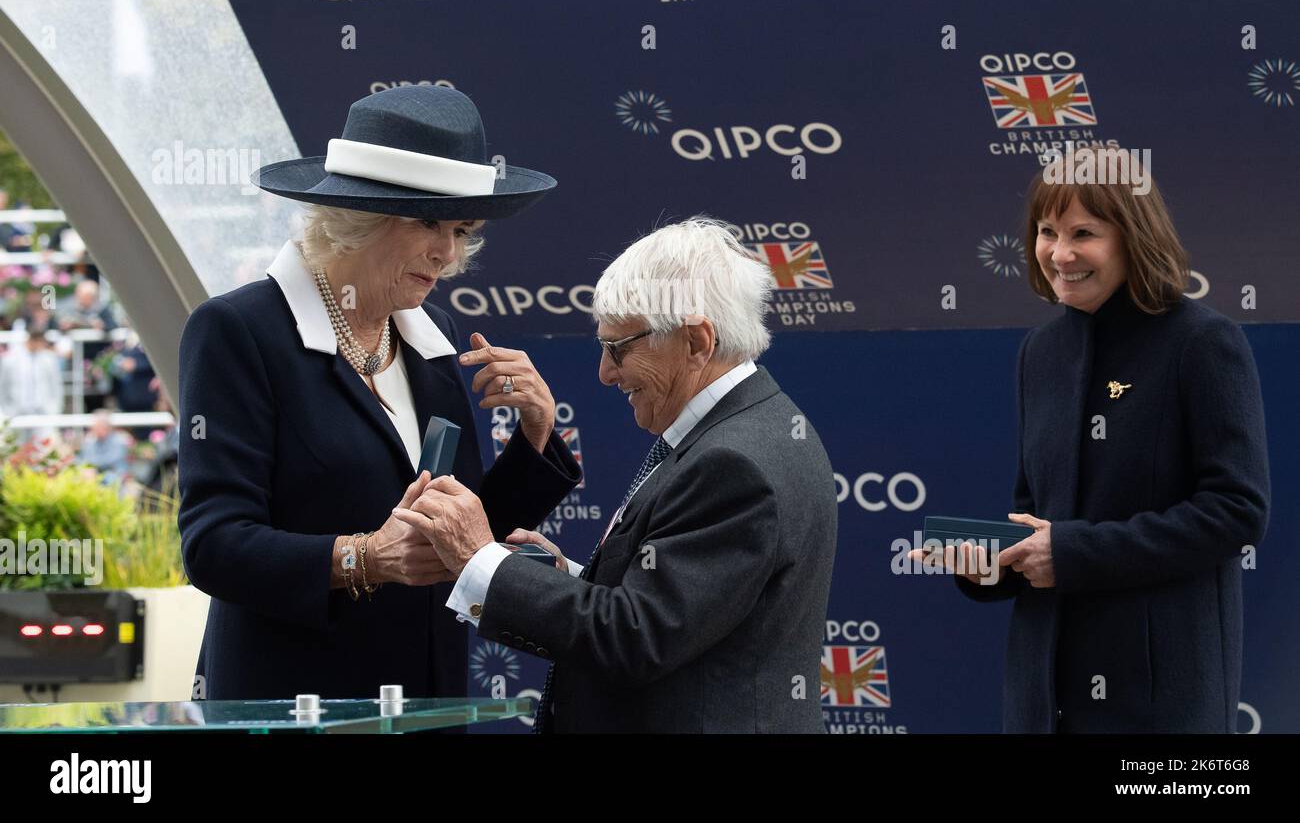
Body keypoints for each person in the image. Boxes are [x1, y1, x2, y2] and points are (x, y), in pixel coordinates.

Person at [177, 85, 581, 700]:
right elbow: (214, 546)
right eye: (427, 222)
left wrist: (535, 436)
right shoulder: (239, 330)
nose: (447, 253)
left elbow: (461, 534)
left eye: (461, 228)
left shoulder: (432, 335)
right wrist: (365, 558)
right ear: (356, 217)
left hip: (425, 700)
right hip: (294, 702)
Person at [395, 217, 838, 733]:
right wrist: (568, 579)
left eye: (618, 348)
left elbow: (637, 639)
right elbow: (674, 612)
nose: (606, 373)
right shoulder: (744, 429)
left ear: (696, 340)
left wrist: (481, 557)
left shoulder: (734, 461)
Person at [913, 145, 1269, 733]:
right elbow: (1037, 516)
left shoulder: (1203, 342)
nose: (1060, 253)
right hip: (1042, 700)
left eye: (1084, 233)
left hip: (1155, 706)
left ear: (1133, 236)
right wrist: (989, 560)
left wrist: (1072, 553)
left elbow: (1237, 511)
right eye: (1047, 231)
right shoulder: (1040, 352)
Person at [0, 310, 64, 445]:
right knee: (17, 449)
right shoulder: (10, 359)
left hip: (43, 411)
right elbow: (3, 385)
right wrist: (6, 409)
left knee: (42, 449)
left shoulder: (49, 359)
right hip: (17, 412)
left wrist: (54, 409)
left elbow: (56, 386)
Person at [77, 409, 131, 487]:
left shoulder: (119, 440)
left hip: (115, 474)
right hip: (96, 473)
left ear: (106, 427)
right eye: (94, 427)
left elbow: (111, 460)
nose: (94, 430)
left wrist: (92, 466)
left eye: (97, 427)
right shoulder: (92, 440)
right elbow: (84, 458)